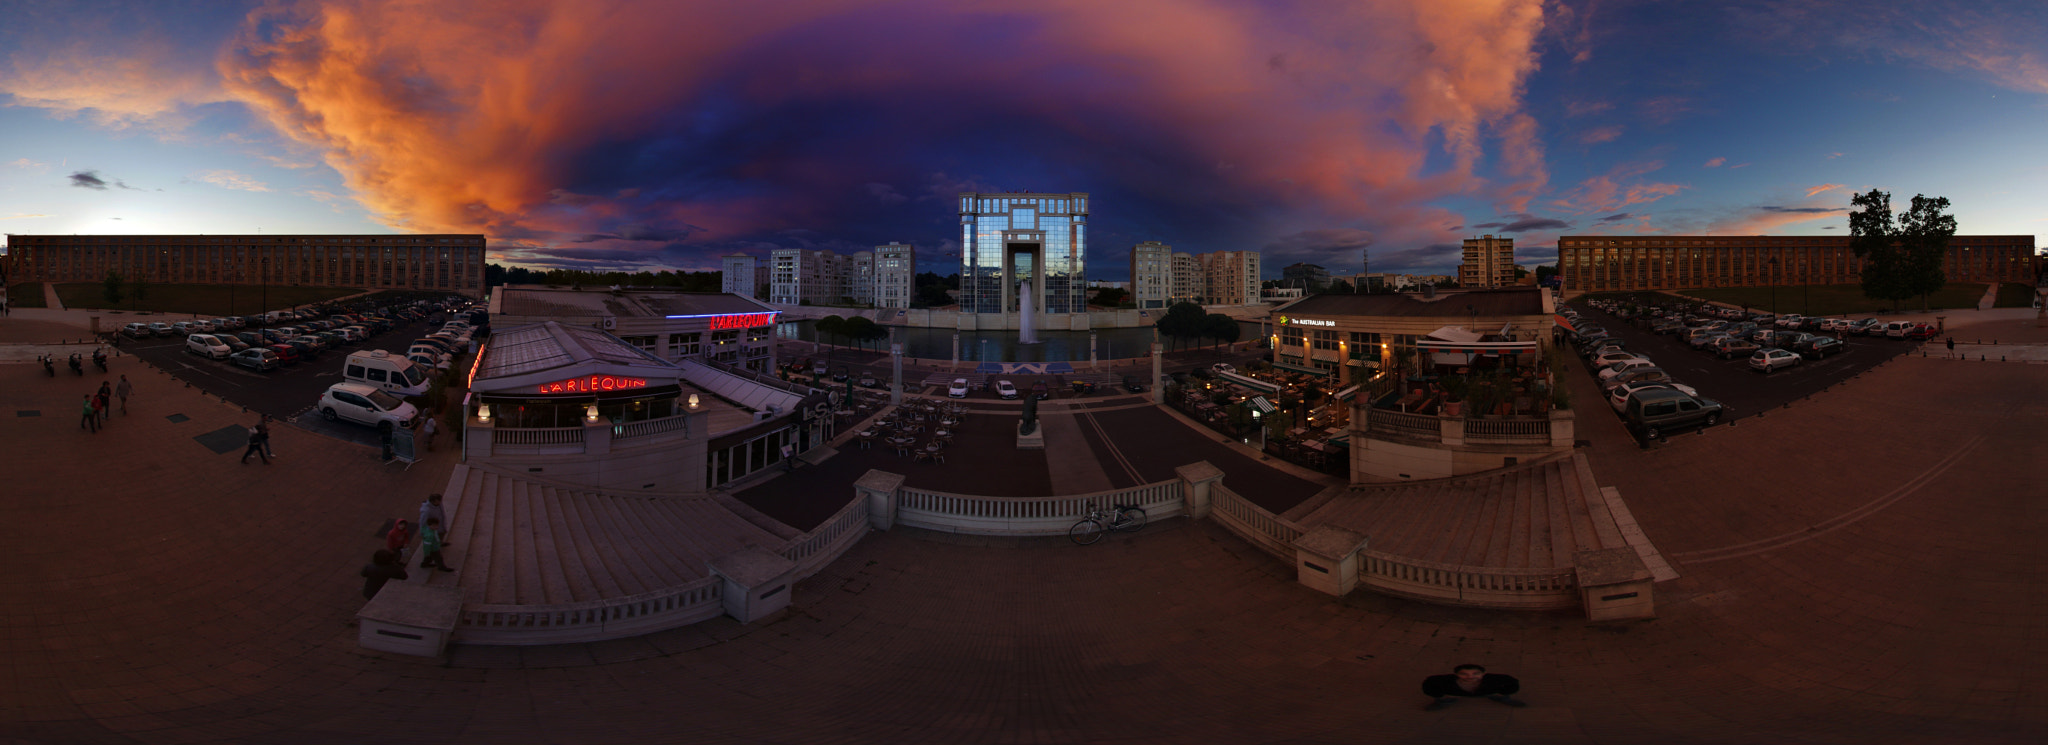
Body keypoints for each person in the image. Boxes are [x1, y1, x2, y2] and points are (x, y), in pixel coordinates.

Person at [1423, 664, 1526, 710]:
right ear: (1456, 674)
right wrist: (1438, 695)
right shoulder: (1446, 681)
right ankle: (1440, 702)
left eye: (1475, 674)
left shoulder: (1494, 680)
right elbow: (1429, 683)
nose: (1470, 677)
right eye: (1464, 674)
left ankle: (1503, 698)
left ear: (1483, 674)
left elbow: (1512, 682)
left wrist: (1505, 693)